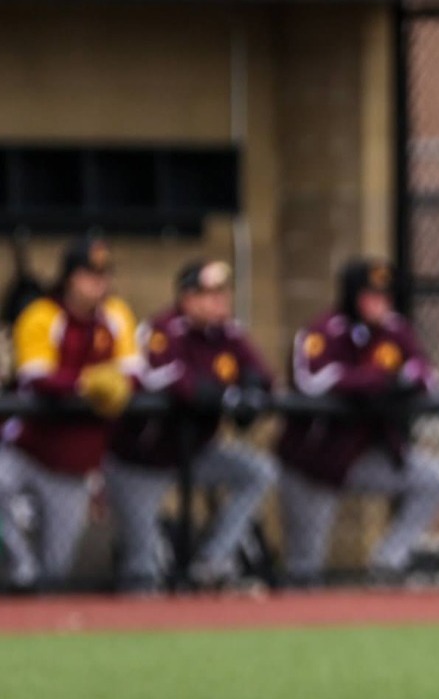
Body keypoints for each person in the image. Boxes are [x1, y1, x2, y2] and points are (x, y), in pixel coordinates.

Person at [276, 257, 439, 585]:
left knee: (435, 477)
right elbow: (312, 381)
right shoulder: (322, 332)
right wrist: (377, 381)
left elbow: (428, 377)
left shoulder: (395, 330)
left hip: (364, 458)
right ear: (352, 296)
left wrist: (400, 381)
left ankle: (388, 562)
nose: (379, 303)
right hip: (314, 463)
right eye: (370, 295)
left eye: (385, 295)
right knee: (305, 569)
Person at [103, 260, 277, 592]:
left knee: (257, 472)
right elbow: (170, 379)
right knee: (143, 570)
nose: (220, 300)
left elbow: (261, 374)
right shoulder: (163, 329)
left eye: (222, 292)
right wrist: (225, 396)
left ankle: (213, 560)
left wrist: (252, 389)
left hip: (195, 454)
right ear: (187, 298)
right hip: (141, 462)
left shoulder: (228, 333)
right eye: (209, 293)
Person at [0, 235, 141, 588]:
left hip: (75, 465)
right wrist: (88, 383)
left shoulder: (115, 315)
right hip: (27, 449)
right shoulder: (42, 314)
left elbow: (135, 374)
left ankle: (38, 591)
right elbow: (36, 377)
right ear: (69, 278)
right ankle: (21, 567)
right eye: (89, 275)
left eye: (104, 275)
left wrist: (110, 384)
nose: (99, 283)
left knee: (56, 571)